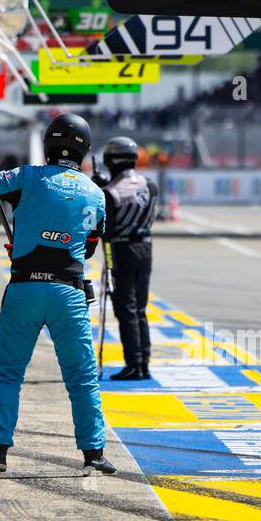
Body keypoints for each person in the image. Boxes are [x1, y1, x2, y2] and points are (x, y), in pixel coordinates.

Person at [0, 114, 115, 476]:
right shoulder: (96, 194)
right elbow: (88, 247)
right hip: (69, 293)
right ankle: (94, 454)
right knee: (81, 376)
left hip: (26, 286)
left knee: (7, 373)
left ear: (48, 145)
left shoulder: (27, 176)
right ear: (84, 151)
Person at [100, 136, 159, 381]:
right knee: (141, 307)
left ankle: (133, 364)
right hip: (146, 247)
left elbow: (106, 230)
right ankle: (143, 361)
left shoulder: (111, 192)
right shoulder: (150, 184)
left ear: (111, 160)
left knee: (126, 308)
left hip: (122, 250)